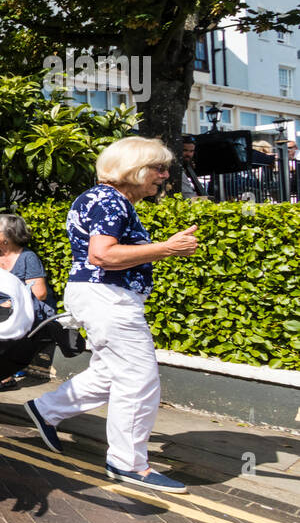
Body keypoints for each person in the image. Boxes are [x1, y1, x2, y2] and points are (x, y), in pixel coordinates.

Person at [24, 137, 198, 494]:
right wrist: (166, 249)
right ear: (133, 168)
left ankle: (45, 409)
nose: (164, 176)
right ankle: (128, 463)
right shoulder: (109, 200)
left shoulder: (102, 199)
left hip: (99, 295)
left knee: (108, 373)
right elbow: (102, 255)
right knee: (138, 378)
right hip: (108, 297)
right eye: (158, 168)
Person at [0, 213, 54, 323]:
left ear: (9, 234)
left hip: (26, 310)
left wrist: (9, 304)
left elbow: (39, 294)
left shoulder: (28, 258)